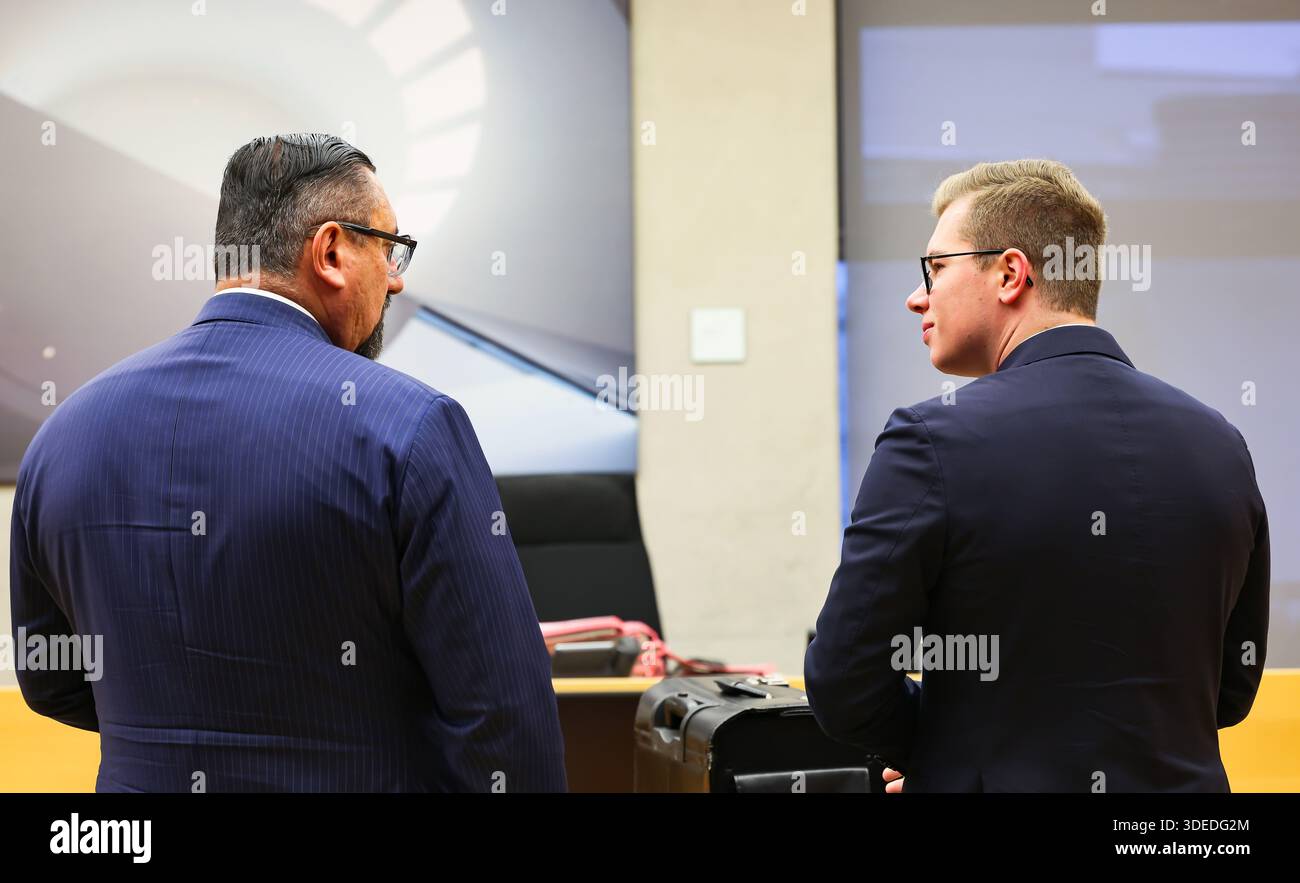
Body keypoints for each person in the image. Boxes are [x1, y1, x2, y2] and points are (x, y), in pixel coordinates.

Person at [10, 133, 566, 792]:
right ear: (331, 250)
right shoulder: (410, 426)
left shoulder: (64, 433)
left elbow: (50, 681)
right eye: (388, 248)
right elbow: (507, 728)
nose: (396, 277)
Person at [805, 159, 1269, 792]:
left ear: (1010, 273)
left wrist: (952, 761)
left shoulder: (930, 439)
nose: (919, 295)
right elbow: (1232, 690)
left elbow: (843, 680)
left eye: (936, 268)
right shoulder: (1221, 443)